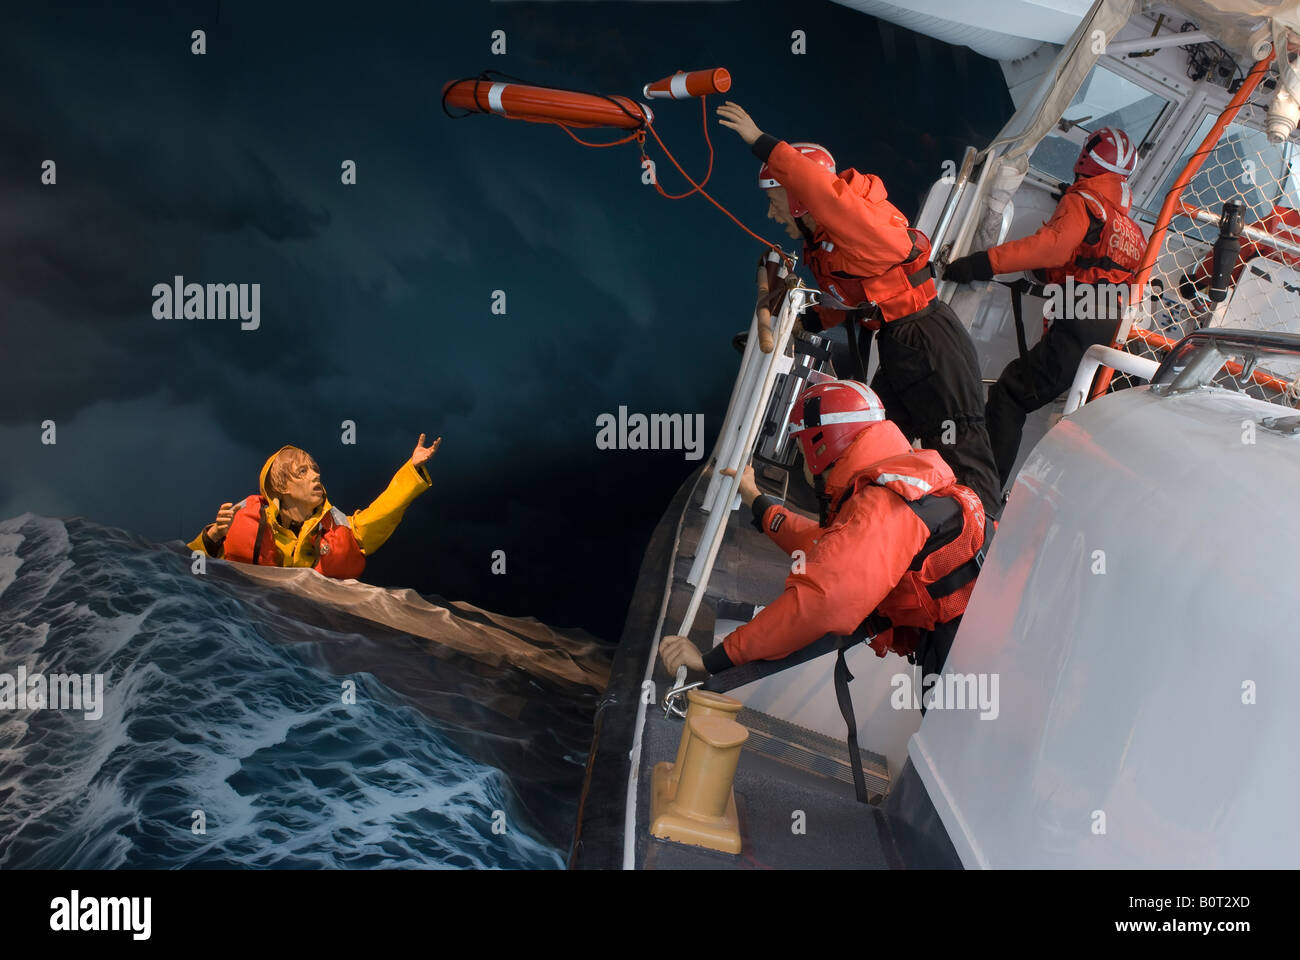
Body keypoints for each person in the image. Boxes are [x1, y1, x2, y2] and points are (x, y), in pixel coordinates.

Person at [716, 101, 1002, 518]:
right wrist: (808, 322)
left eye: (775, 200)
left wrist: (761, 142)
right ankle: (860, 524)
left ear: (800, 200)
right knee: (873, 439)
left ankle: (982, 538)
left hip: (930, 341)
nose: (770, 213)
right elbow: (852, 294)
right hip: (900, 345)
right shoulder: (827, 244)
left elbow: (826, 197)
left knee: (961, 441)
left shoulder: (863, 226)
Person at [659, 379, 990, 694]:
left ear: (819, 446)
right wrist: (757, 501)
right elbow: (826, 548)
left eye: (802, 450)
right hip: (976, 639)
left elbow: (823, 601)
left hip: (965, 657)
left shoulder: (882, 505)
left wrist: (713, 660)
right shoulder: (899, 486)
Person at [945, 126, 1146, 489]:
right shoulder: (1130, 228)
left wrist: (982, 263)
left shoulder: (1085, 203)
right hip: (1107, 326)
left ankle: (979, 495)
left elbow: (1053, 248)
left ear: (1087, 157)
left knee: (1009, 396)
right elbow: (1087, 266)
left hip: (1080, 323)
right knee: (1031, 395)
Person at [189, 434, 441, 579]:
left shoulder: (340, 527)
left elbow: (385, 510)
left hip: (310, 654)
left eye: (315, 470)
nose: (315, 476)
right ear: (282, 487)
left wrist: (412, 468)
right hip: (253, 647)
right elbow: (176, 567)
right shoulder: (236, 521)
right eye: (303, 471)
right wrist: (212, 538)